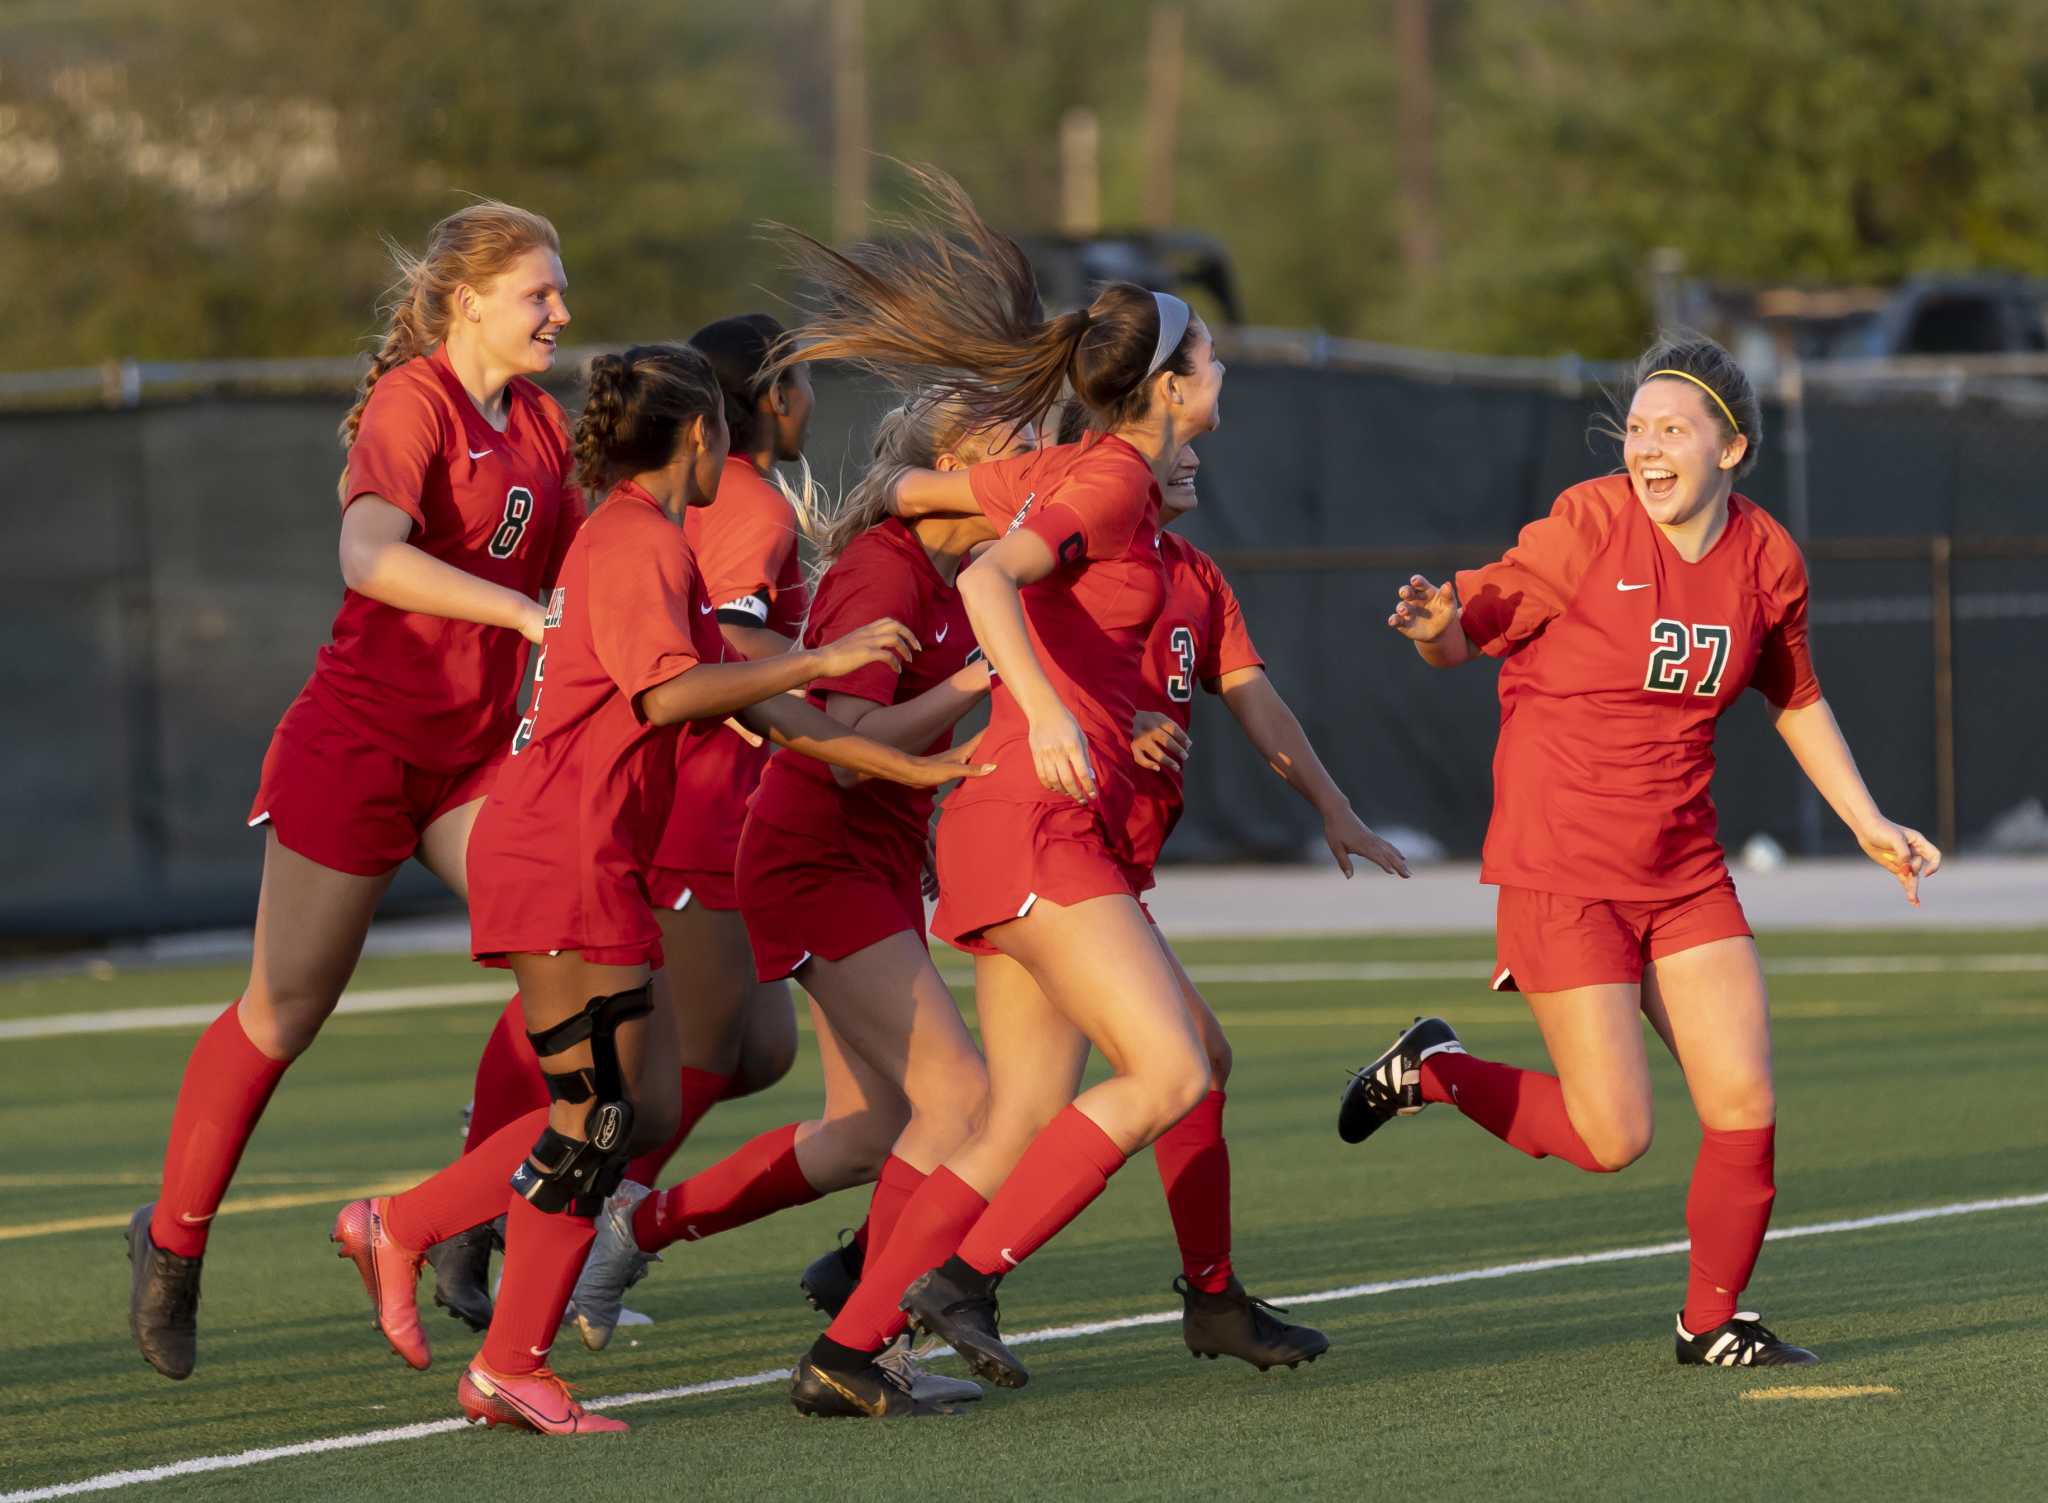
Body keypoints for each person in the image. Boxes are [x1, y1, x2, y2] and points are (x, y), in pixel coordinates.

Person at [327, 343, 985, 1435]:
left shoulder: (651, 541)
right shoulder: (633, 538)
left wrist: (904, 766)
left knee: (630, 1109)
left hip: (591, 850)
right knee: (598, 1118)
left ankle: (440, 1270)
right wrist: (813, 663)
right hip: (561, 850)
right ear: (700, 437)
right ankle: (473, 1318)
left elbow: (745, 705)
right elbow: (668, 694)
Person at [1344, 333, 1942, 1368]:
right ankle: (1435, 1070)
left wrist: (1866, 821)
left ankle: (1708, 1321)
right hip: (1562, 867)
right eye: (1636, 428)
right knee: (1611, 1138)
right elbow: (1463, 626)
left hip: (1681, 868)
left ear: (1731, 449)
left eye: (1673, 430)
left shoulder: (1767, 559)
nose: (1647, 448)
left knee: (1742, 1101)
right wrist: (1432, 629)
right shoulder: (1586, 523)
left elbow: (1792, 696)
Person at [754, 166, 1238, 1407]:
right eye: (1208, 360)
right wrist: (1042, 708)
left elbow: (921, 492)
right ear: (1170, 389)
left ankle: (847, 1350)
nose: (1220, 373)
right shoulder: (1116, 475)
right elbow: (983, 584)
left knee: (1017, 1109)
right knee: (1174, 1069)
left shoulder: (1078, 470)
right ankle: (964, 1277)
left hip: (1001, 822)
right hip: (1029, 819)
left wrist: (913, 494)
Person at [128, 201, 579, 1382]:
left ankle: (460, 1215)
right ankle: (171, 1244)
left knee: (573, 960)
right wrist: (525, 615)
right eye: (539, 293)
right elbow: (368, 556)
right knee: (283, 1012)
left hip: (472, 760)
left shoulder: (536, 418)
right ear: (468, 298)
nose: (560, 314)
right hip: (363, 746)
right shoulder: (412, 402)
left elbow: (590, 568)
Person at [569, 394, 1019, 1414]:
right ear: (955, 464)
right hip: (817, 854)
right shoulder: (883, 566)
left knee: (869, 1131)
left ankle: (632, 1231)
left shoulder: (959, 572)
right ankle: (864, 1349)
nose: (1034, 475)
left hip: (870, 861)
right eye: (1017, 454)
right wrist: (974, 686)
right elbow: (853, 749)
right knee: (960, 1102)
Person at [433, 313, 822, 1331]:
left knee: (714, 1067)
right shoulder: (696, 519)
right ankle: (473, 1241)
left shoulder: (638, 520)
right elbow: (698, 676)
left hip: (623, 813)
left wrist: (889, 751)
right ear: (720, 424)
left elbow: (710, 665)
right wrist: (828, 672)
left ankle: (492, 1259)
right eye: (804, 381)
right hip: (651, 811)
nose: (811, 401)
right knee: (613, 1109)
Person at [1115, 437, 1405, 1370]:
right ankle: (914, 1282)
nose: (1194, 453)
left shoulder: (1193, 574)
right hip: (1052, 859)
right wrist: (1114, 719)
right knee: (1012, 1106)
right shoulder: (1068, 560)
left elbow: (1255, 699)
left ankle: (1212, 1298)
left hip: (1112, 872)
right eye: (1171, 438)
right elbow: (1014, 667)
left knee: (1192, 1062)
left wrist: (1336, 807)